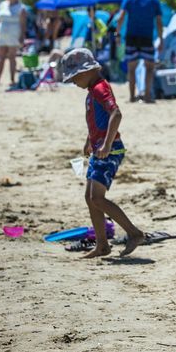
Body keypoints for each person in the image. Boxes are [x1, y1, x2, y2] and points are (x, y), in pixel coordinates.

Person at [61, 48, 145, 259]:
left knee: (97, 198)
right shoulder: (93, 90)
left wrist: (106, 144)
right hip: (99, 150)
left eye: (74, 77)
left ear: (86, 71)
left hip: (109, 150)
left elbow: (116, 114)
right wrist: (89, 140)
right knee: (90, 198)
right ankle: (102, 244)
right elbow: (97, 121)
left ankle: (134, 233)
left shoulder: (99, 88)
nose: (73, 82)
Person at [117, 0, 164, 103]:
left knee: (131, 68)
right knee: (149, 67)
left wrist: (117, 34)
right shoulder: (153, 0)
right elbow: (159, 22)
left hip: (131, 37)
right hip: (147, 38)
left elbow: (121, 17)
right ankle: (147, 96)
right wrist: (161, 39)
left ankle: (132, 97)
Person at [0, 0, 26, 85]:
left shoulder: (21, 7)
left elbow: (23, 24)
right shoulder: (2, 4)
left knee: (12, 57)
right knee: (1, 57)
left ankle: (12, 79)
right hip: (2, 33)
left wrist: (22, 37)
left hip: (14, 34)